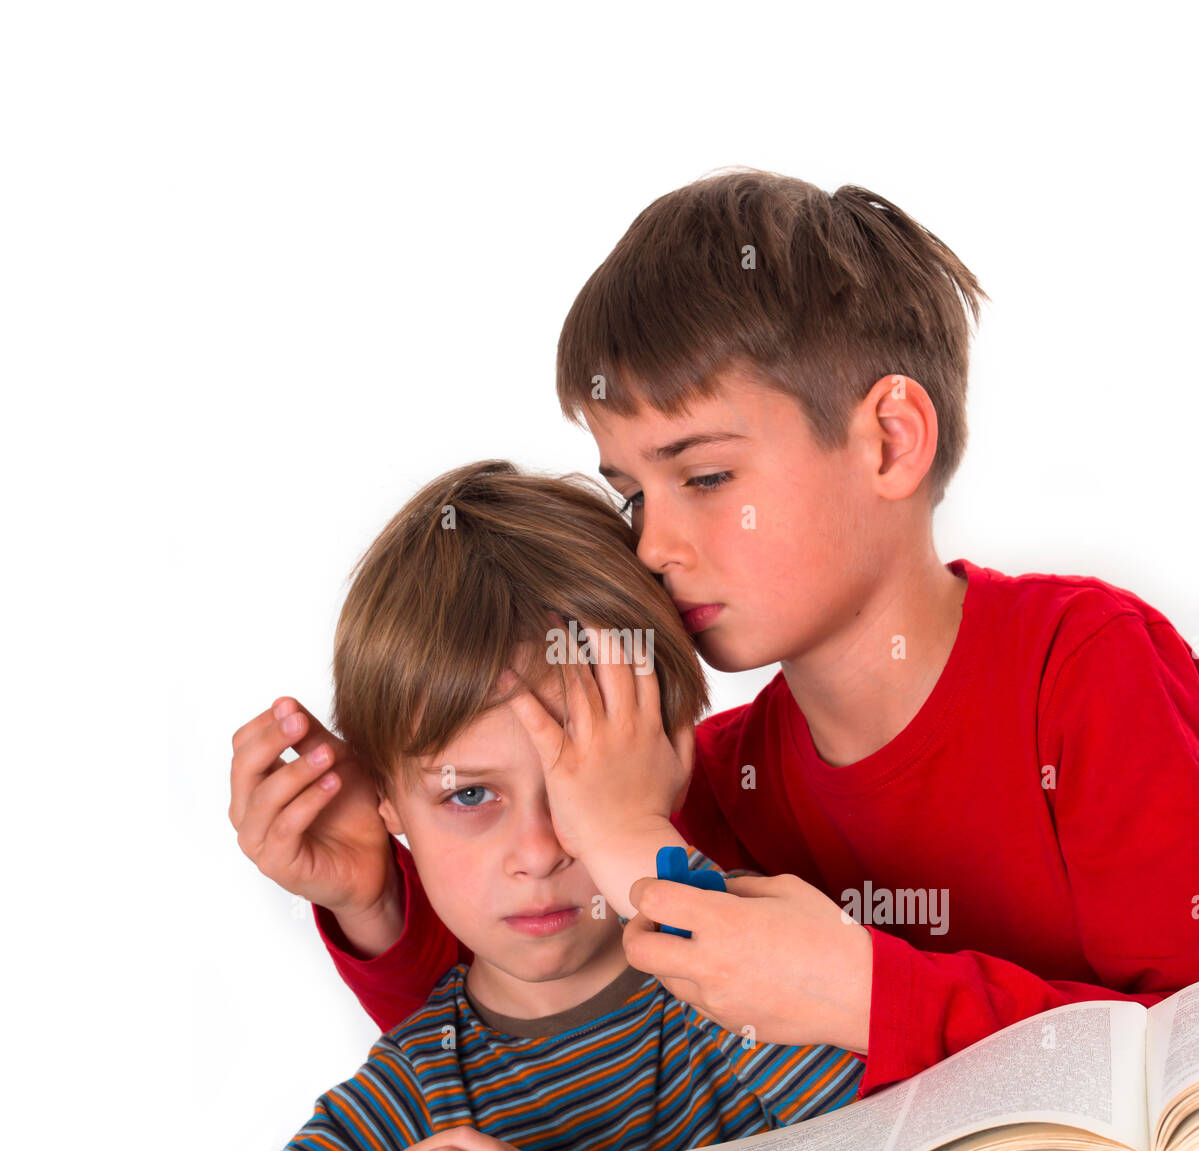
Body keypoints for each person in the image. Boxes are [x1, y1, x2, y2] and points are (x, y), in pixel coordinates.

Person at [240, 170, 1199, 1097]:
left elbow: (1181, 1057)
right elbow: (531, 1047)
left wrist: (869, 997)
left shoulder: (1084, 668)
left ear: (889, 442)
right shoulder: (697, 779)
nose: (652, 544)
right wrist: (373, 904)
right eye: (628, 494)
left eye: (702, 479)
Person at [176, 461, 862, 1151]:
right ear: (389, 803)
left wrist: (639, 844)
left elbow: (909, 1141)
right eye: (469, 795)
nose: (537, 851)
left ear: (671, 755)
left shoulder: (761, 960)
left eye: (578, 784)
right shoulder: (412, 1092)